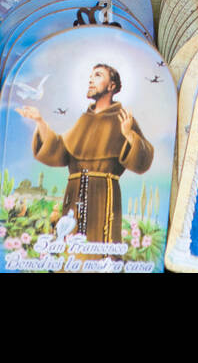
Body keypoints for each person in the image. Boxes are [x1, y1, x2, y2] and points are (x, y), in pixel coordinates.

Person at [20, 63, 153, 244]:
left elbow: (143, 162)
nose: (90, 80)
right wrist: (40, 122)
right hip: (74, 196)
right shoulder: (84, 119)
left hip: (103, 196)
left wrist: (129, 135)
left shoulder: (123, 119)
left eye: (97, 75)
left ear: (111, 86)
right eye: (90, 76)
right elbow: (60, 151)